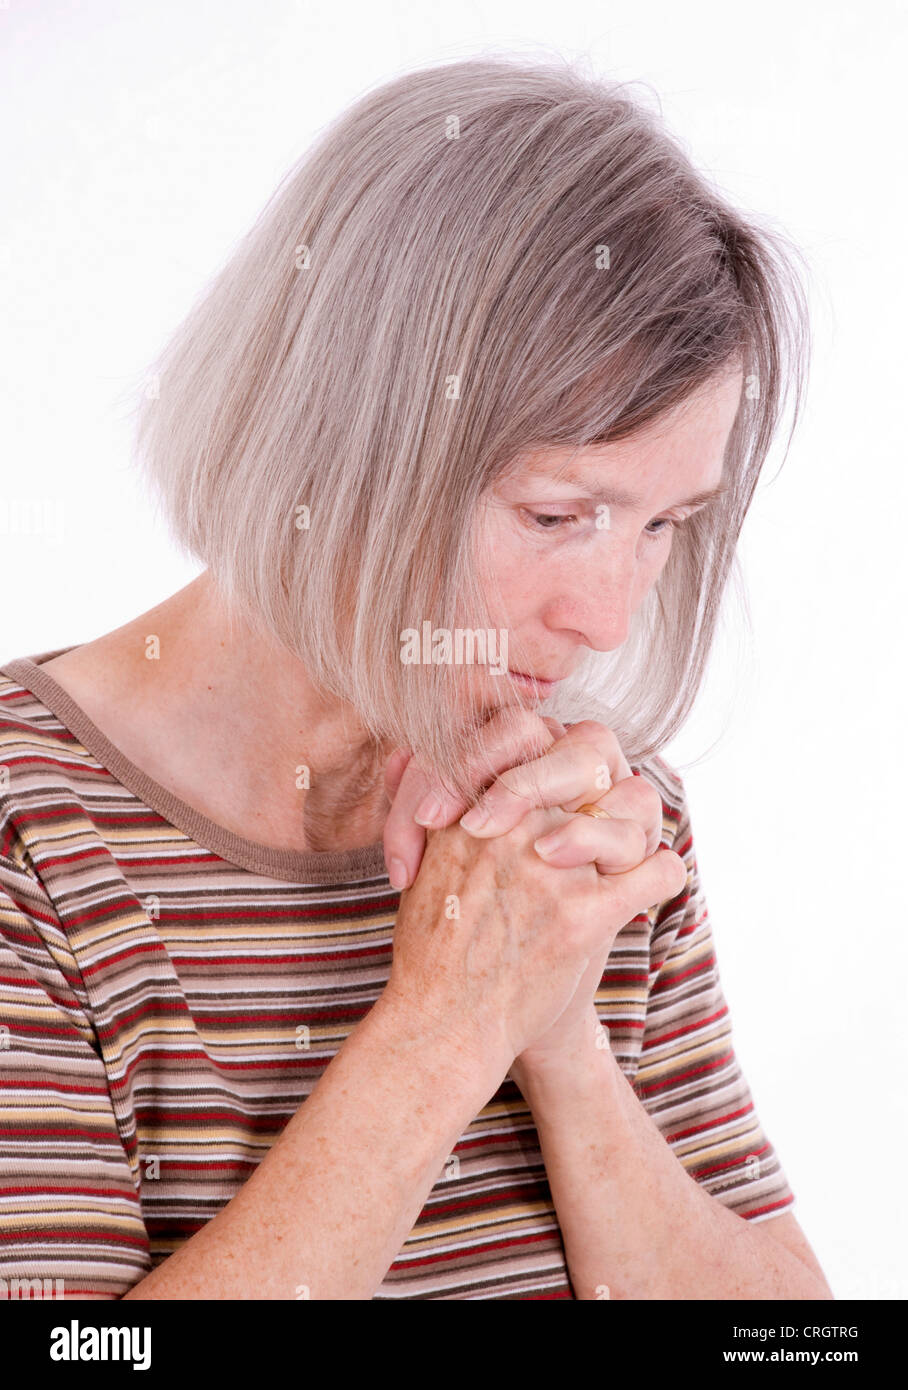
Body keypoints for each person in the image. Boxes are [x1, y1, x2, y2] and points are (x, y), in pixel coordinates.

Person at [0, 54, 832, 1300]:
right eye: (558, 514)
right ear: (339, 444)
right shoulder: (35, 841)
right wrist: (447, 1025)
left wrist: (559, 1035)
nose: (603, 618)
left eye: (662, 526)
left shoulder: (582, 815)